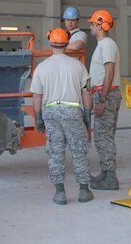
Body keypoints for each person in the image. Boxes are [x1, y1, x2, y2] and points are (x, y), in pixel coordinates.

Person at [31, 28, 94, 205]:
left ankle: (60, 193)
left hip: (51, 112)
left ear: (50, 43)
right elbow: (86, 93)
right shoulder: (79, 66)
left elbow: (37, 97)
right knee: (78, 150)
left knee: (55, 152)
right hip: (73, 111)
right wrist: (87, 115)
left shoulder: (41, 68)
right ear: (67, 44)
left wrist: (39, 117)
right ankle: (83, 190)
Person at [87, 9, 121, 190]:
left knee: (103, 136)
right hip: (103, 93)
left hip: (106, 94)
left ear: (101, 25)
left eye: (93, 23)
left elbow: (109, 72)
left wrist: (102, 100)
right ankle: (106, 173)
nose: (90, 26)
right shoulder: (102, 45)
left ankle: (111, 178)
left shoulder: (107, 44)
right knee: (103, 135)